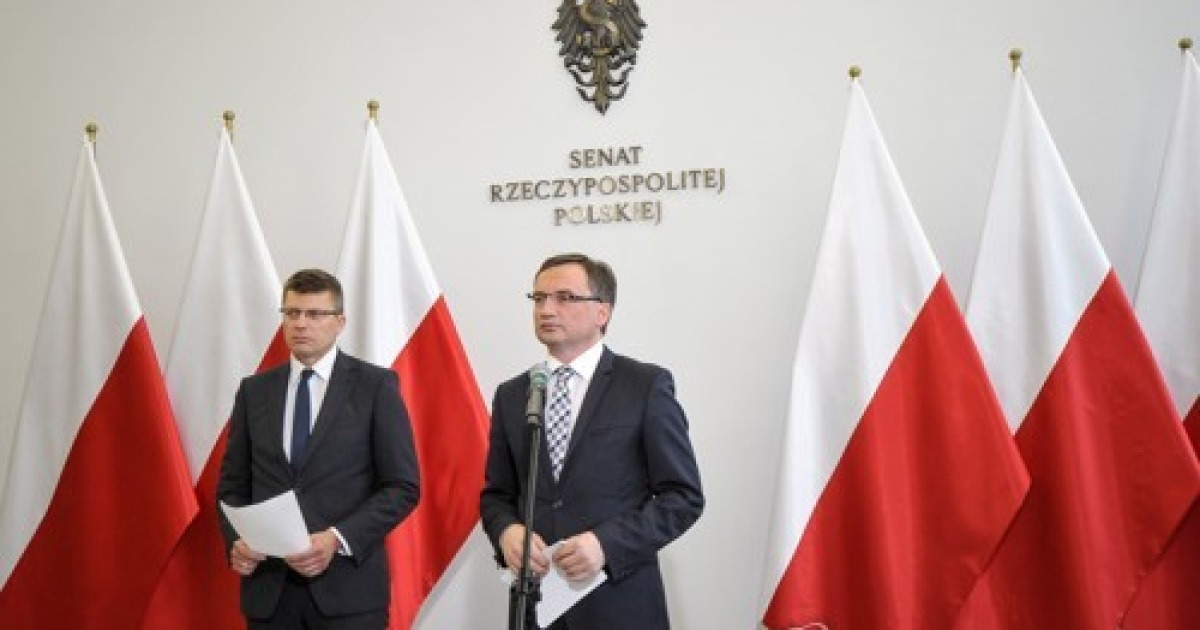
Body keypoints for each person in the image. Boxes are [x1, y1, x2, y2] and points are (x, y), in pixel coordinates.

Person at [480, 253, 705, 629]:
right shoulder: (513, 394)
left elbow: (683, 497)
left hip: (620, 606)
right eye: (538, 299)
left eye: (564, 297)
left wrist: (607, 545)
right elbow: (497, 495)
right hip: (536, 609)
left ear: (603, 312)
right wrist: (507, 531)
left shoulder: (644, 386)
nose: (546, 309)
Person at [217, 268, 420, 629]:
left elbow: (402, 487)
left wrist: (336, 540)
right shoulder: (254, 391)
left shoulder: (376, 386)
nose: (301, 324)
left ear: (340, 322)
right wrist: (238, 541)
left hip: (348, 595)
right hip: (270, 595)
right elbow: (233, 487)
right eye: (292, 313)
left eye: (315, 314)